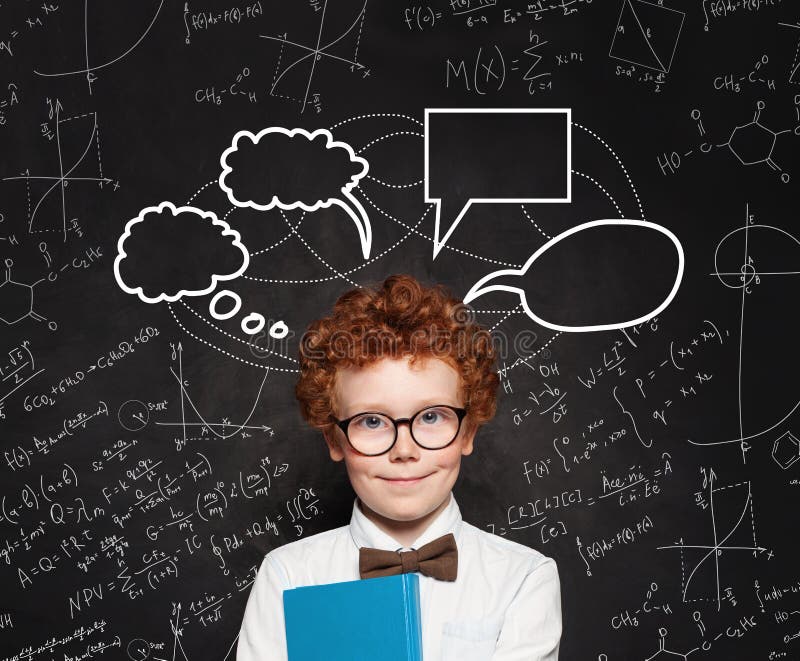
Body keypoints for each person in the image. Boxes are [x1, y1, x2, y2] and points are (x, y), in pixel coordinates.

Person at [236, 274, 562, 660]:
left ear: (468, 432)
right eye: (372, 421)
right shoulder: (287, 577)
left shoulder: (523, 578)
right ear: (334, 439)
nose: (404, 450)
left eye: (431, 417)